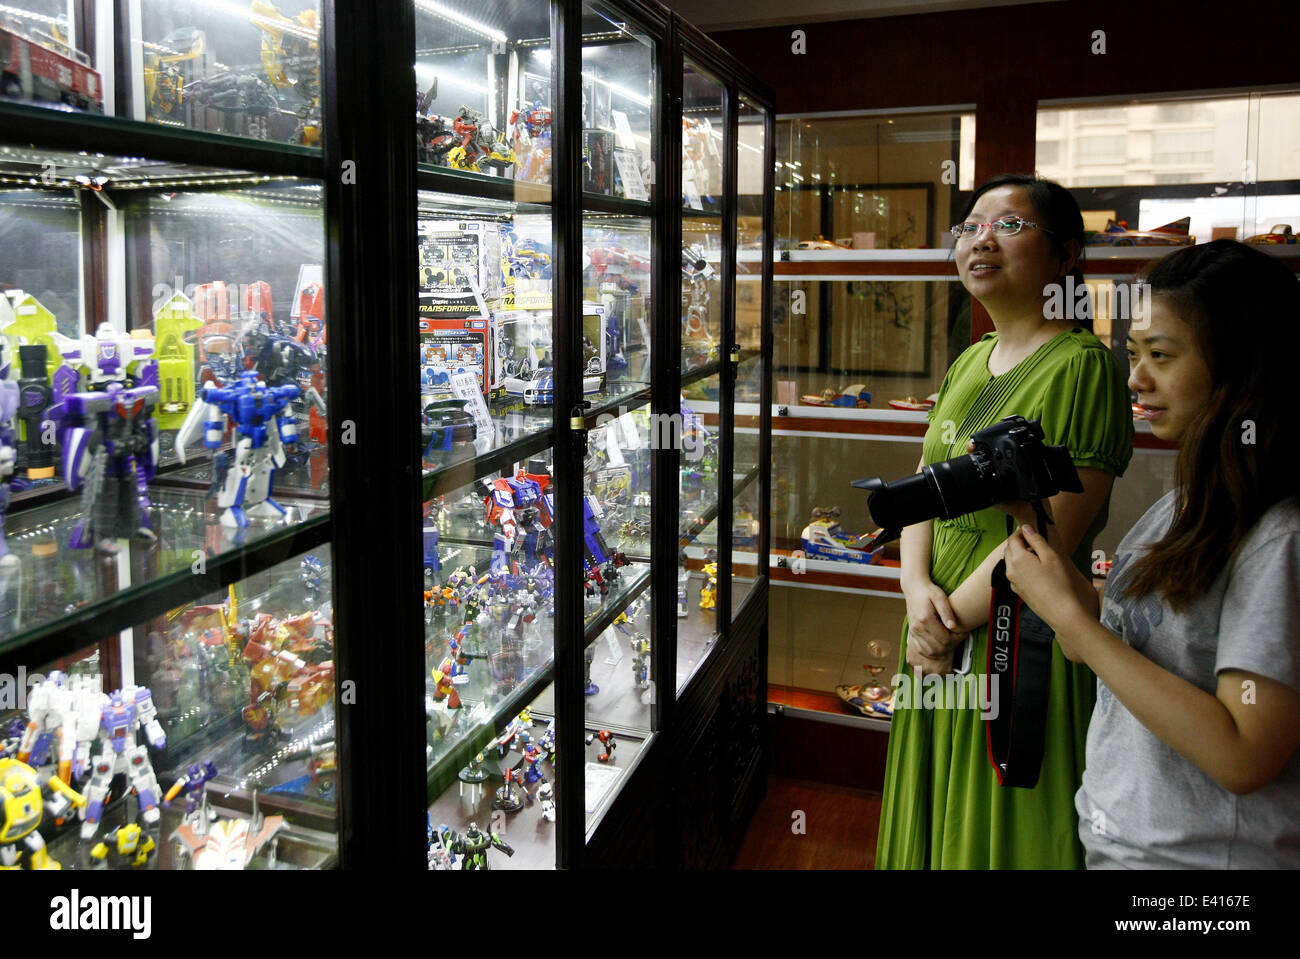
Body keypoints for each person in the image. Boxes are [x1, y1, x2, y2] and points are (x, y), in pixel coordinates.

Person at [1002, 240, 1300, 868]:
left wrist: (1075, 623)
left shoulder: (1279, 535)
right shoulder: (1195, 500)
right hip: (1127, 846)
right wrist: (1064, 584)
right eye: (1135, 353)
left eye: (1161, 356)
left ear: (1243, 362)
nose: (1136, 378)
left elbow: (1246, 753)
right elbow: (1164, 640)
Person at [875, 174, 1134, 869]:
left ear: (1065, 256)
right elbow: (925, 487)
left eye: (1010, 225)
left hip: (1015, 643)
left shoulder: (1083, 367)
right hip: (938, 626)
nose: (980, 238)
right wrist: (913, 592)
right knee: (939, 822)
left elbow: (1048, 536)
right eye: (970, 225)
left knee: (998, 830)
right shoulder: (967, 361)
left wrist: (944, 625)